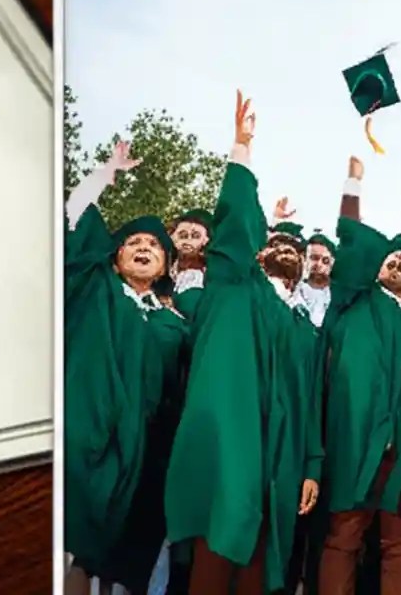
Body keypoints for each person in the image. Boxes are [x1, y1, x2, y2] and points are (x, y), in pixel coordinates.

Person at [163, 91, 322, 595]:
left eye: (291, 248)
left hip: (278, 452)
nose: (283, 251)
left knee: (261, 560)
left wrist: (310, 466)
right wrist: (241, 147)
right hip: (231, 439)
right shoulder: (233, 286)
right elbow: (234, 222)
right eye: (272, 242)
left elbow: (309, 398)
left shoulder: (300, 324)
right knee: (218, 548)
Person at [64, 140, 191, 595]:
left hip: (136, 453)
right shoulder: (95, 288)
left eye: (154, 245)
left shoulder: (174, 323)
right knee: (72, 548)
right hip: (81, 439)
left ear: (164, 267)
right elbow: (75, 216)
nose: (141, 247)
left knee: (117, 561)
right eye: (132, 242)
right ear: (114, 256)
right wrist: (106, 173)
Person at [317, 154, 401, 595]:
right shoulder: (353, 302)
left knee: (398, 546)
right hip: (352, 440)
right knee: (342, 539)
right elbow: (350, 240)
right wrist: (354, 184)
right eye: (391, 258)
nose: (398, 261)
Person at [299, 230, 336, 327]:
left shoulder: (339, 296)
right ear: (304, 258)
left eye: (325, 260)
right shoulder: (295, 292)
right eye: (314, 258)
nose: (319, 265)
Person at [169, 209, 212, 293]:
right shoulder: (163, 268)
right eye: (183, 236)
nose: (188, 241)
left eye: (196, 236)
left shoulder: (210, 274)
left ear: (206, 241)